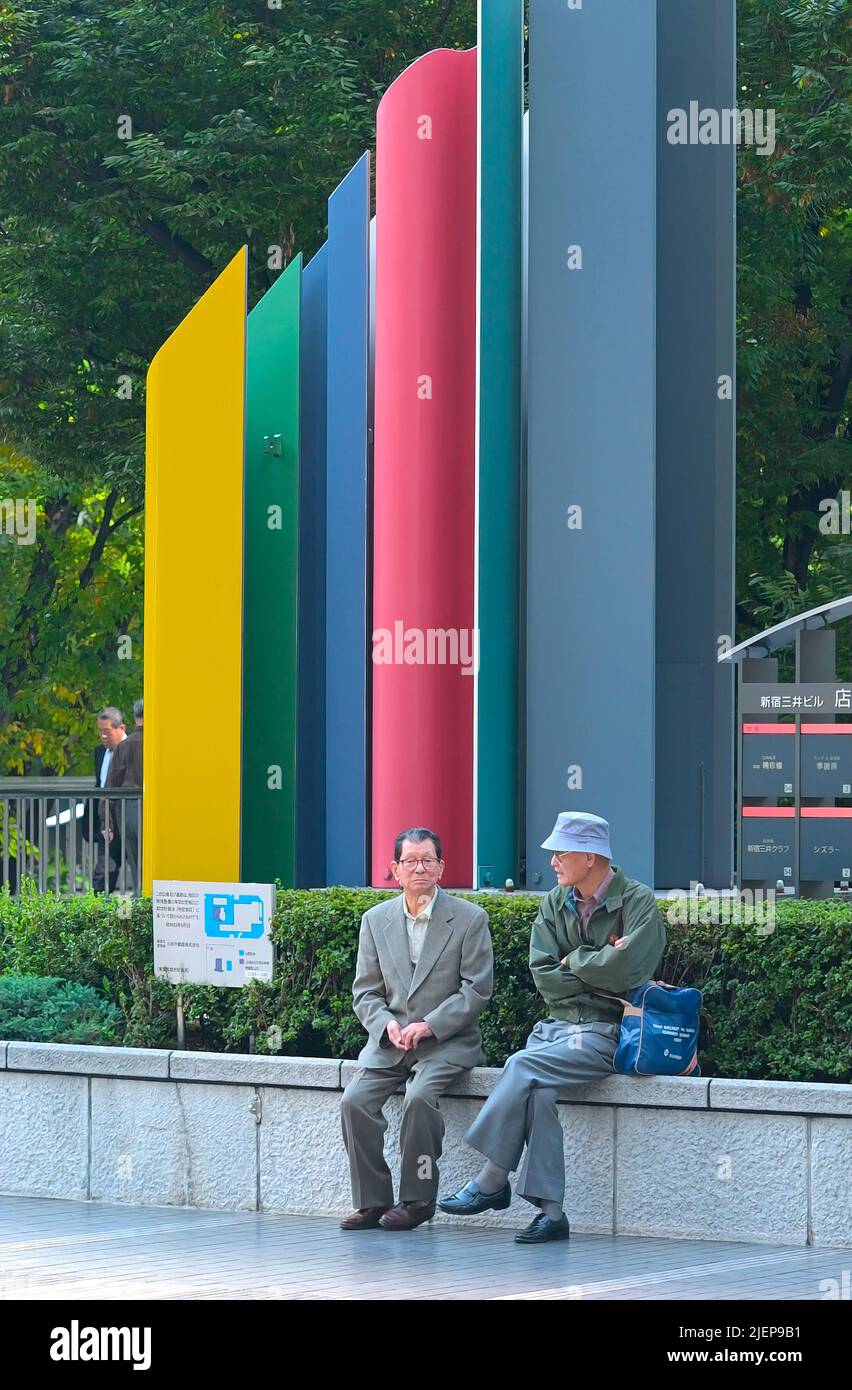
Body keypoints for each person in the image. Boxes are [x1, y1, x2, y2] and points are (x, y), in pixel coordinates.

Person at [439, 811, 666, 1244]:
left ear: (590, 856)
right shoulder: (553, 902)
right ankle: (553, 1214)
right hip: (556, 1027)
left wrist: (575, 960)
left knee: (523, 1066)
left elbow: (630, 970)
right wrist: (598, 960)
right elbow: (543, 975)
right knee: (537, 1090)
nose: (554, 861)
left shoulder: (637, 901)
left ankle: (490, 1180)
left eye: (561, 852)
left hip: (607, 1031)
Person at [340, 827, 494, 1231]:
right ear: (395, 869)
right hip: (390, 1043)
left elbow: (477, 989)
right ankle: (372, 1200)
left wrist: (430, 1025)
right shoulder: (375, 920)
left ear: (441, 867)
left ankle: (418, 1198)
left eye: (428, 860)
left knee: (420, 1098)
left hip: (447, 1043)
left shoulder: (469, 919)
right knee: (354, 1101)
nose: (419, 868)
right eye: (410, 861)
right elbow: (365, 992)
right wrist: (386, 1024)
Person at [104, 699, 143, 891]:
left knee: (135, 869)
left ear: (135, 717)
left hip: (127, 810)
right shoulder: (159, 744)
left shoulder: (123, 747)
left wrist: (107, 822)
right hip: (152, 810)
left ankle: (139, 907)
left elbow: (111, 786)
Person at [92, 707, 126, 892]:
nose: (103, 736)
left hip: (129, 817)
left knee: (139, 869)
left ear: (121, 728)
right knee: (104, 870)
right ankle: (95, 914)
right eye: (100, 731)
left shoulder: (135, 748)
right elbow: (100, 784)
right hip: (106, 818)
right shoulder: (99, 752)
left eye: (107, 732)